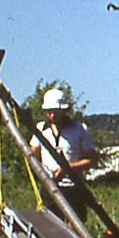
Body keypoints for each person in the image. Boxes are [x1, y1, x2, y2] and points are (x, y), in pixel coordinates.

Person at [27, 87, 99, 222]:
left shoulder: (79, 129)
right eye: (49, 112)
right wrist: (42, 172)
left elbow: (92, 160)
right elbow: (32, 155)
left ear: (64, 110)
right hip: (49, 187)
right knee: (52, 227)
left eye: (55, 111)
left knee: (76, 227)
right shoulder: (41, 129)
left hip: (74, 187)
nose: (52, 115)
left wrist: (68, 169)